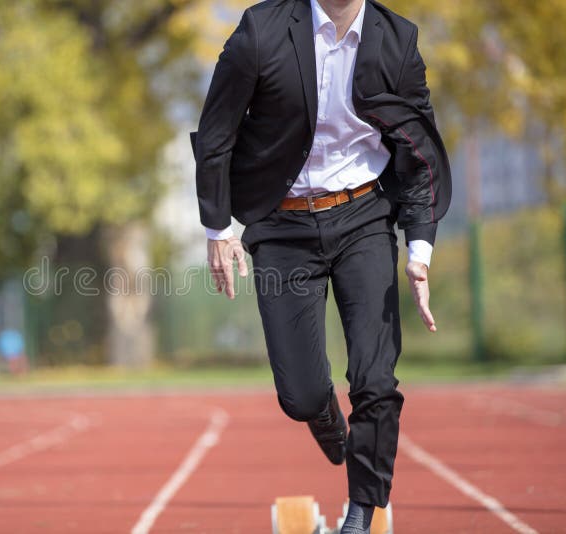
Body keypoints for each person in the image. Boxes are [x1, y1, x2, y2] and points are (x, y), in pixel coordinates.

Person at [192, 1, 451, 532]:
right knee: (302, 395)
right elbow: (216, 132)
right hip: (281, 224)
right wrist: (219, 232)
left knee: (375, 379)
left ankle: (362, 510)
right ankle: (325, 418)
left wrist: (419, 250)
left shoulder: (397, 42)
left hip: (363, 216)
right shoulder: (261, 31)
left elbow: (419, 149)